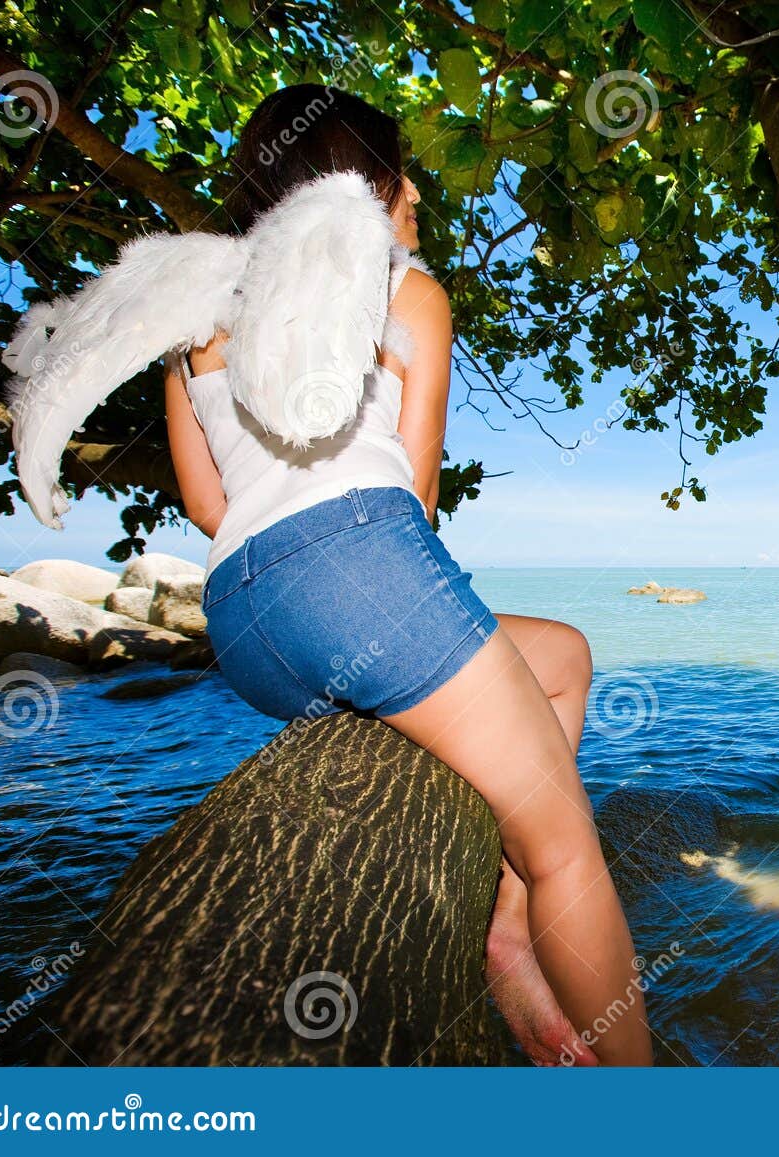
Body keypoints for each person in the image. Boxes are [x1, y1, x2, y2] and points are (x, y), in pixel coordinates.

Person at [161, 86, 650, 1065]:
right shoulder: (406, 290)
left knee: (562, 653)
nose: (415, 191)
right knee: (564, 847)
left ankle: (506, 929)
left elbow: (211, 509)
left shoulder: (190, 323)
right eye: (398, 174)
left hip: (245, 629)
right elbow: (413, 503)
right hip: (361, 568)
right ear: (362, 190)